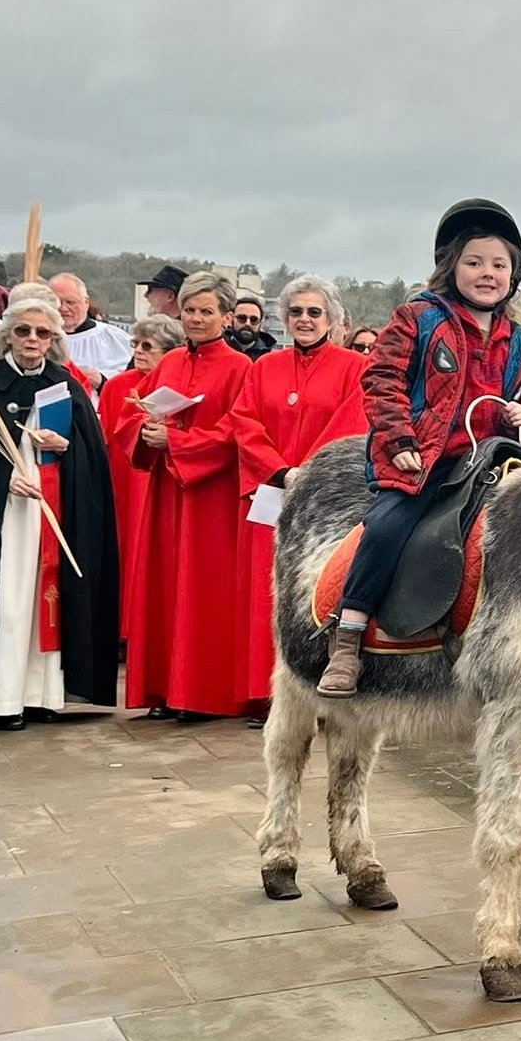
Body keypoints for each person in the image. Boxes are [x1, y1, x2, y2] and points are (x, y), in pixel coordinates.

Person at [317, 199, 521, 697]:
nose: (487, 273)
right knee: (387, 528)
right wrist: (400, 441)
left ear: (513, 276)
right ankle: (348, 633)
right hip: (427, 463)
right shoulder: (417, 319)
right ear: (452, 267)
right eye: (475, 262)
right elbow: (382, 380)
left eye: (499, 265)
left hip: (496, 462)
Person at [0, 284, 118, 729]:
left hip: (53, 510)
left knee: (44, 598)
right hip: (2, 516)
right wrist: (2, 479)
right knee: (9, 598)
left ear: (53, 339)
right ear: (8, 335)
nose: (32, 339)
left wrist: (66, 447)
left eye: (42, 332)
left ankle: (40, 693)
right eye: (23, 331)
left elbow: (91, 458)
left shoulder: (65, 385)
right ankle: (3, 697)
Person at [124, 271, 253, 720]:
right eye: (190, 310)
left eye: (206, 311)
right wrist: (147, 429)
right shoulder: (171, 362)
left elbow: (238, 430)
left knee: (205, 590)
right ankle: (163, 688)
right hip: (167, 492)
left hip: (213, 495)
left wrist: (178, 442)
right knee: (164, 585)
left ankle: (204, 695)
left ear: (227, 316)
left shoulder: (241, 368)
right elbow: (133, 409)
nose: (196, 319)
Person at [234, 276, 366, 716]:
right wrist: (280, 470)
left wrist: (308, 473)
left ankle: (321, 695)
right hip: (271, 494)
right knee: (266, 595)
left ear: (331, 318)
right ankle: (267, 696)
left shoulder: (355, 368)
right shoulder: (263, 368)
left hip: (326, 506)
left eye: (314, 312)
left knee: (320, 592)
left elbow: (352, 425)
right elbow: (244, 422)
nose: (304, 320)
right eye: (296, 312)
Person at [97, 316, 184, 642]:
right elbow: (107, 434)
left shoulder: (178, 386)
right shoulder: (117, 386)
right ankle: (119, 628)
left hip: (156, 481)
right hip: (123, 480)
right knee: (121, 552)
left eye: (148, 346)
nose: (138, 351)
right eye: (136, 344)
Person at [49, 273, 133, 381]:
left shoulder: (113, 338)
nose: (63, 308)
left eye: (70, 302)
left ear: (86, 302)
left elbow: (131, 379)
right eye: (57, 302)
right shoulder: (38, 337)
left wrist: (101, 379)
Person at [229, 293, 280, 359]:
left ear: (260, 324)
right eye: (241, 318)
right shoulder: (217, 351)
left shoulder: (270, 358)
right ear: (231, 319)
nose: (247, 323)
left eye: (254, 319)